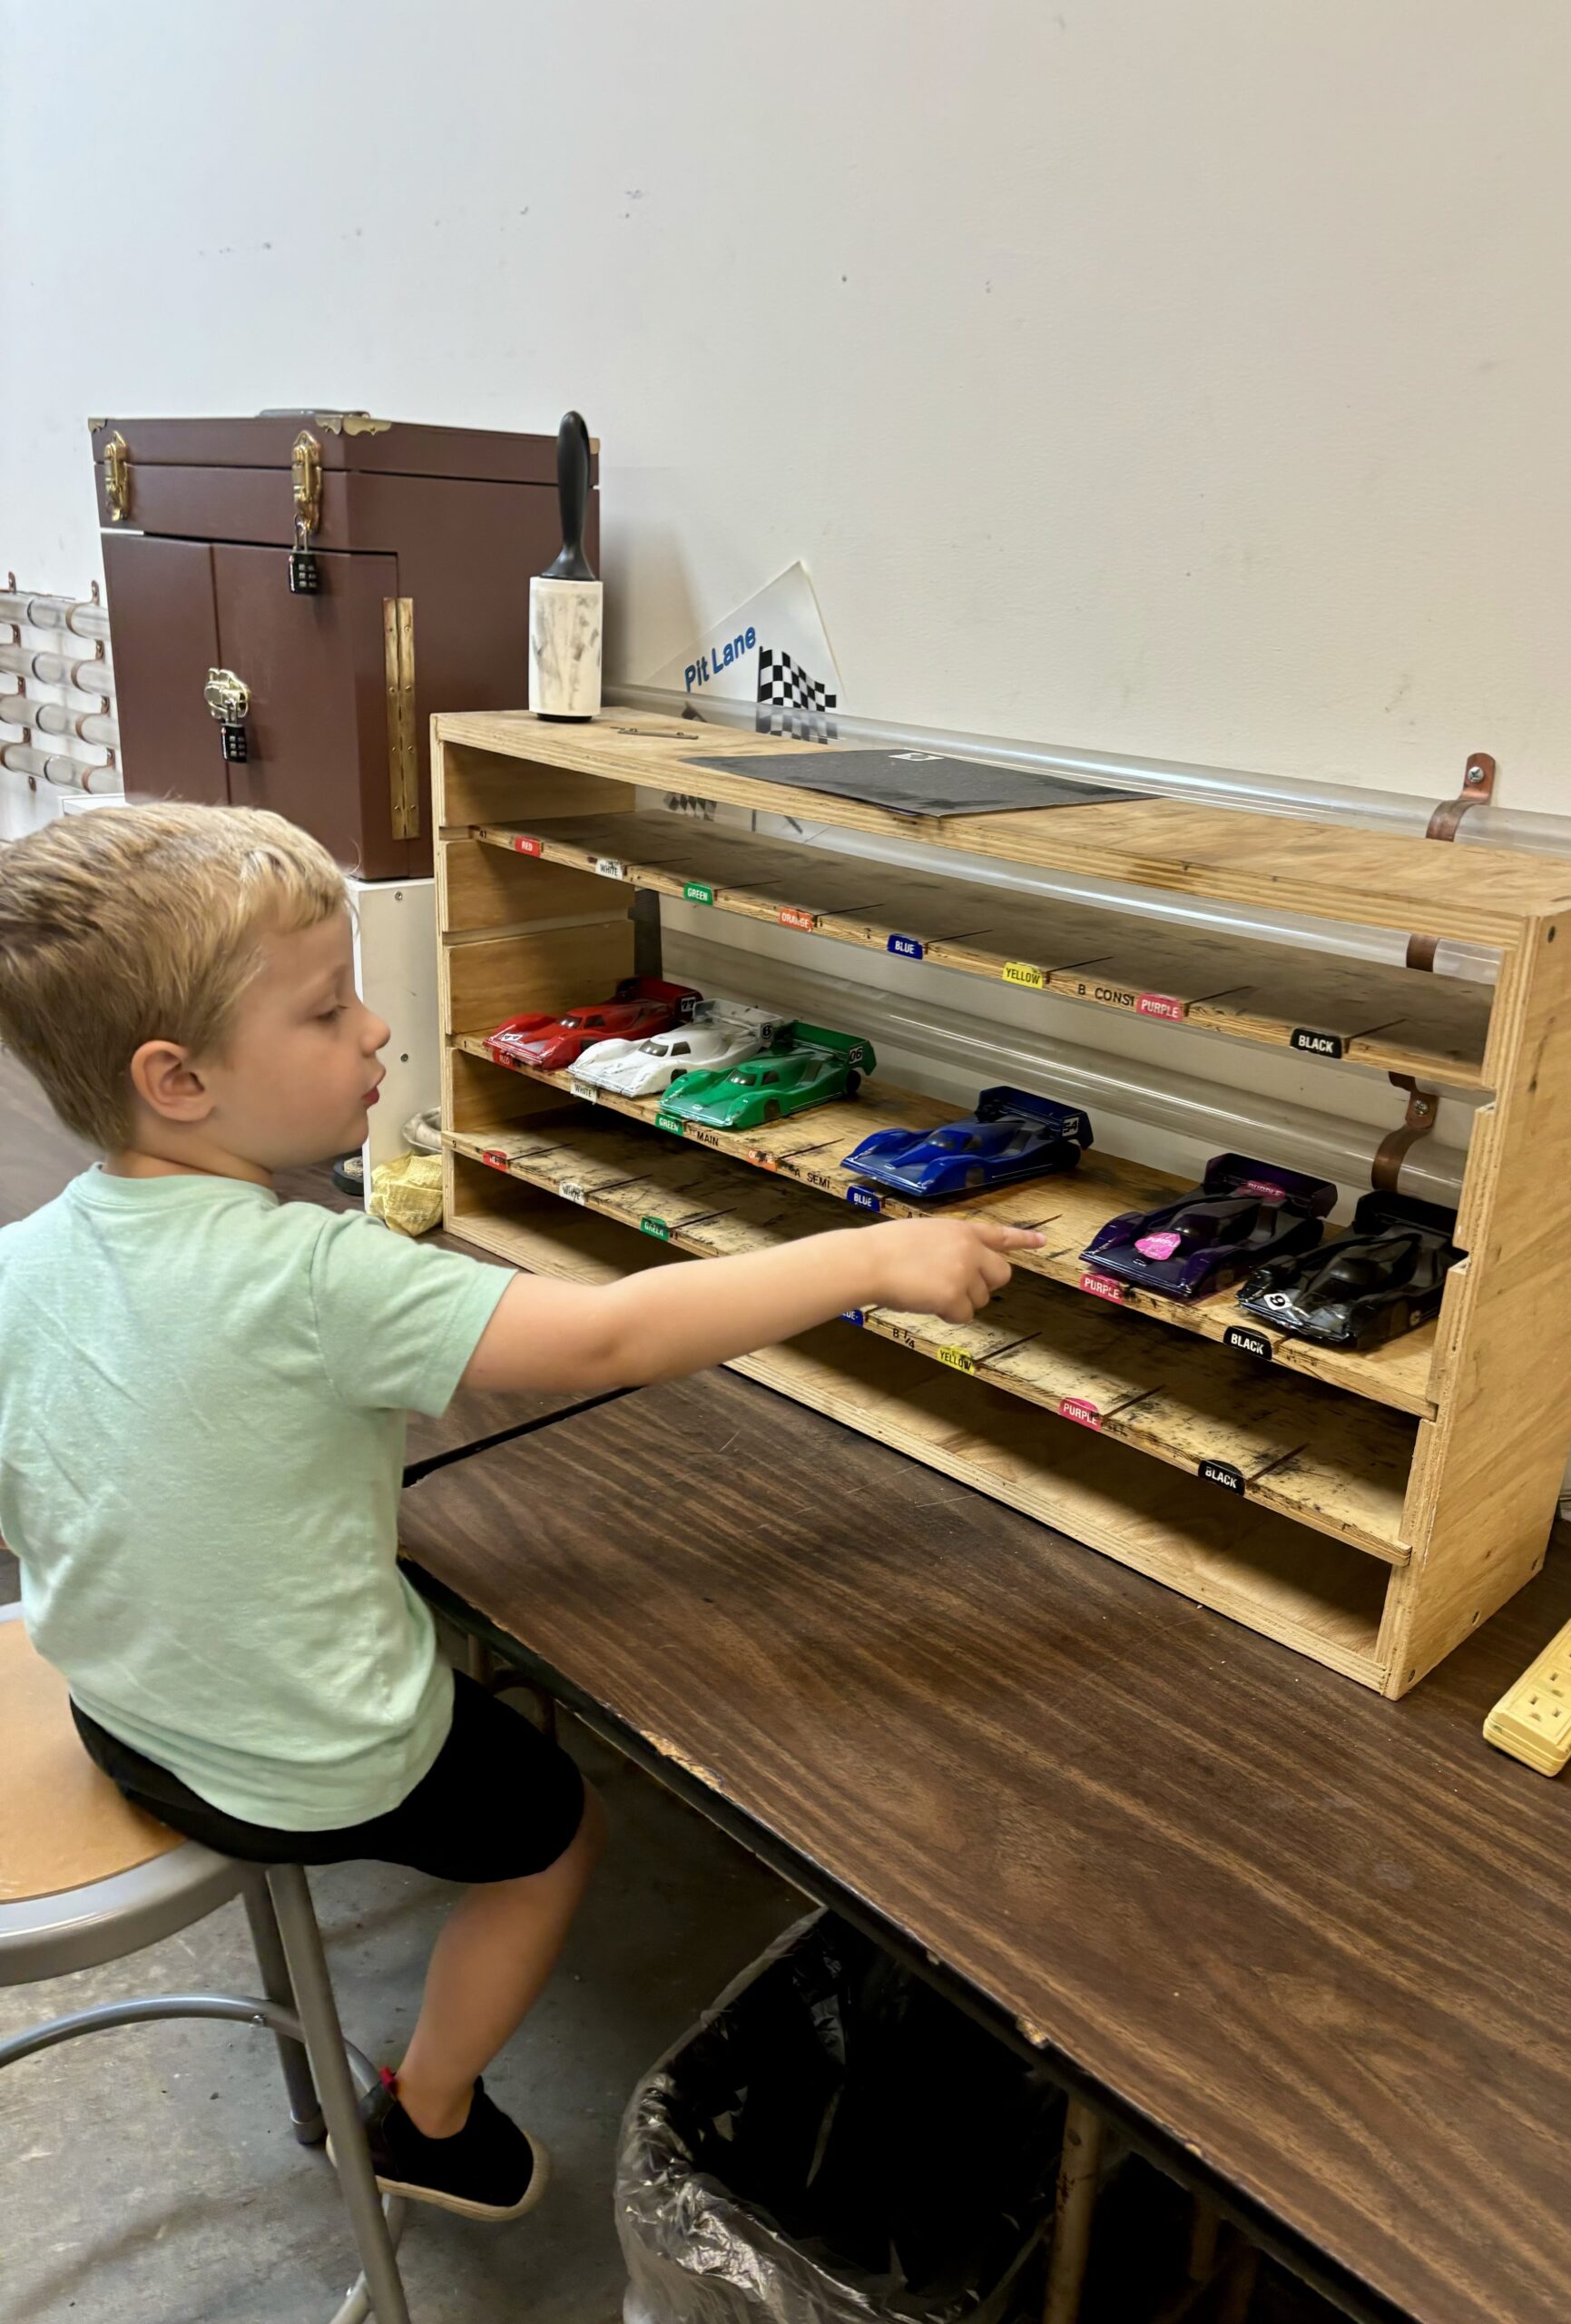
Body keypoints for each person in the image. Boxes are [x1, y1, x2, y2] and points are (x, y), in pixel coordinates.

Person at [0, 803, 1040, 2222]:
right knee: (554, 1831)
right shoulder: (312, 1273)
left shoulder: (24, 1258)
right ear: (177, 1079)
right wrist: (874, 1254)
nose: (376, 1033)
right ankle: (427, 2115)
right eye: (327, 1010)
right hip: (313, 1761)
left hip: (121, 1711)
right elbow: (610, 1337)